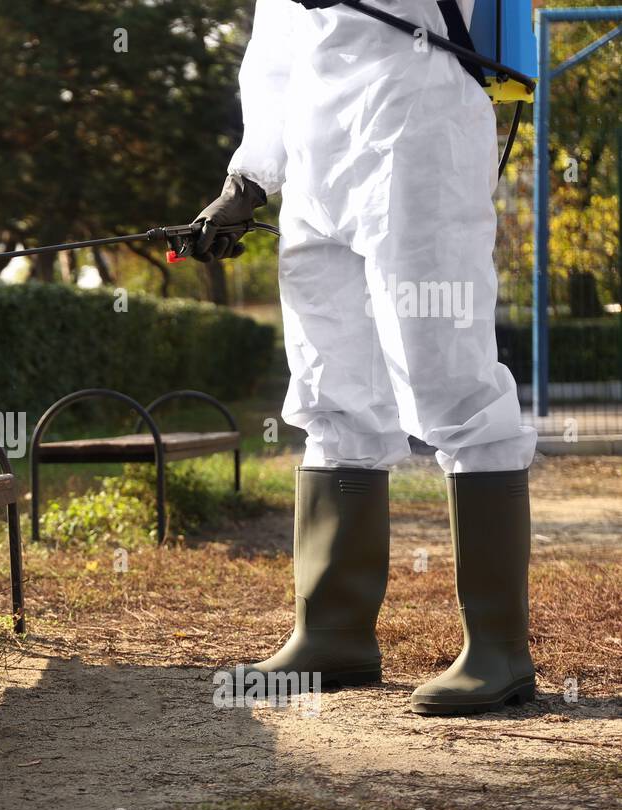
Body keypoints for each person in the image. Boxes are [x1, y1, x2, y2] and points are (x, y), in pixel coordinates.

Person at [189, 0, 538, 715]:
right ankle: (333, 632)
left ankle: (499, 648)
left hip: (419, 121)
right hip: (317, 150)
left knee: (452, 379)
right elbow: (277, 44)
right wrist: (249, 177)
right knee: (330, 385)